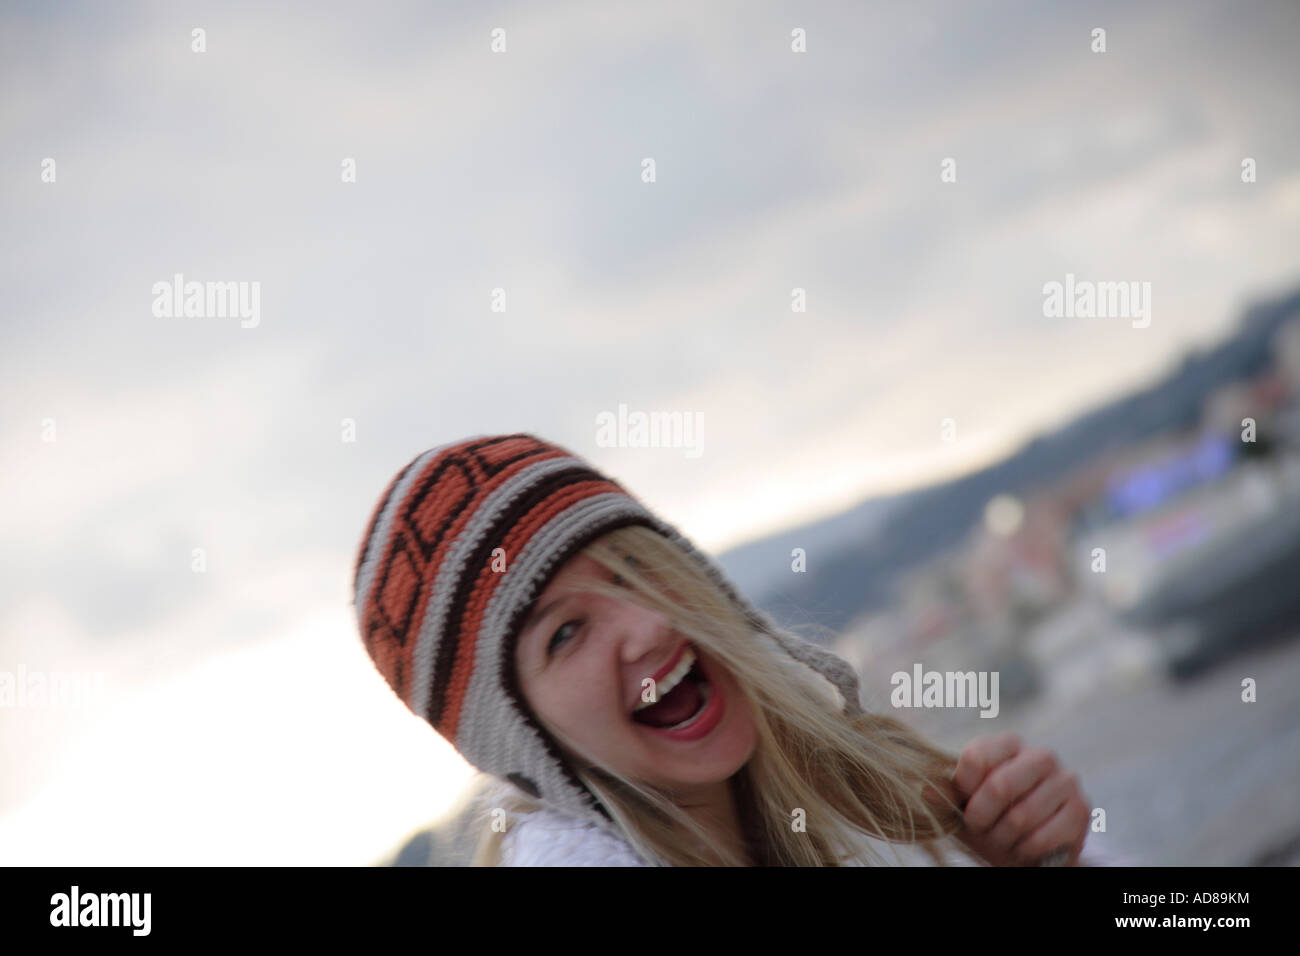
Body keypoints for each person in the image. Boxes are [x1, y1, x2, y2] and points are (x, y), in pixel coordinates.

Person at [352, 433, 1117, 867]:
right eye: (565, 633)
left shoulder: (849, 803)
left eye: (635, 568)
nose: (648, 628)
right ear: (523, 743)